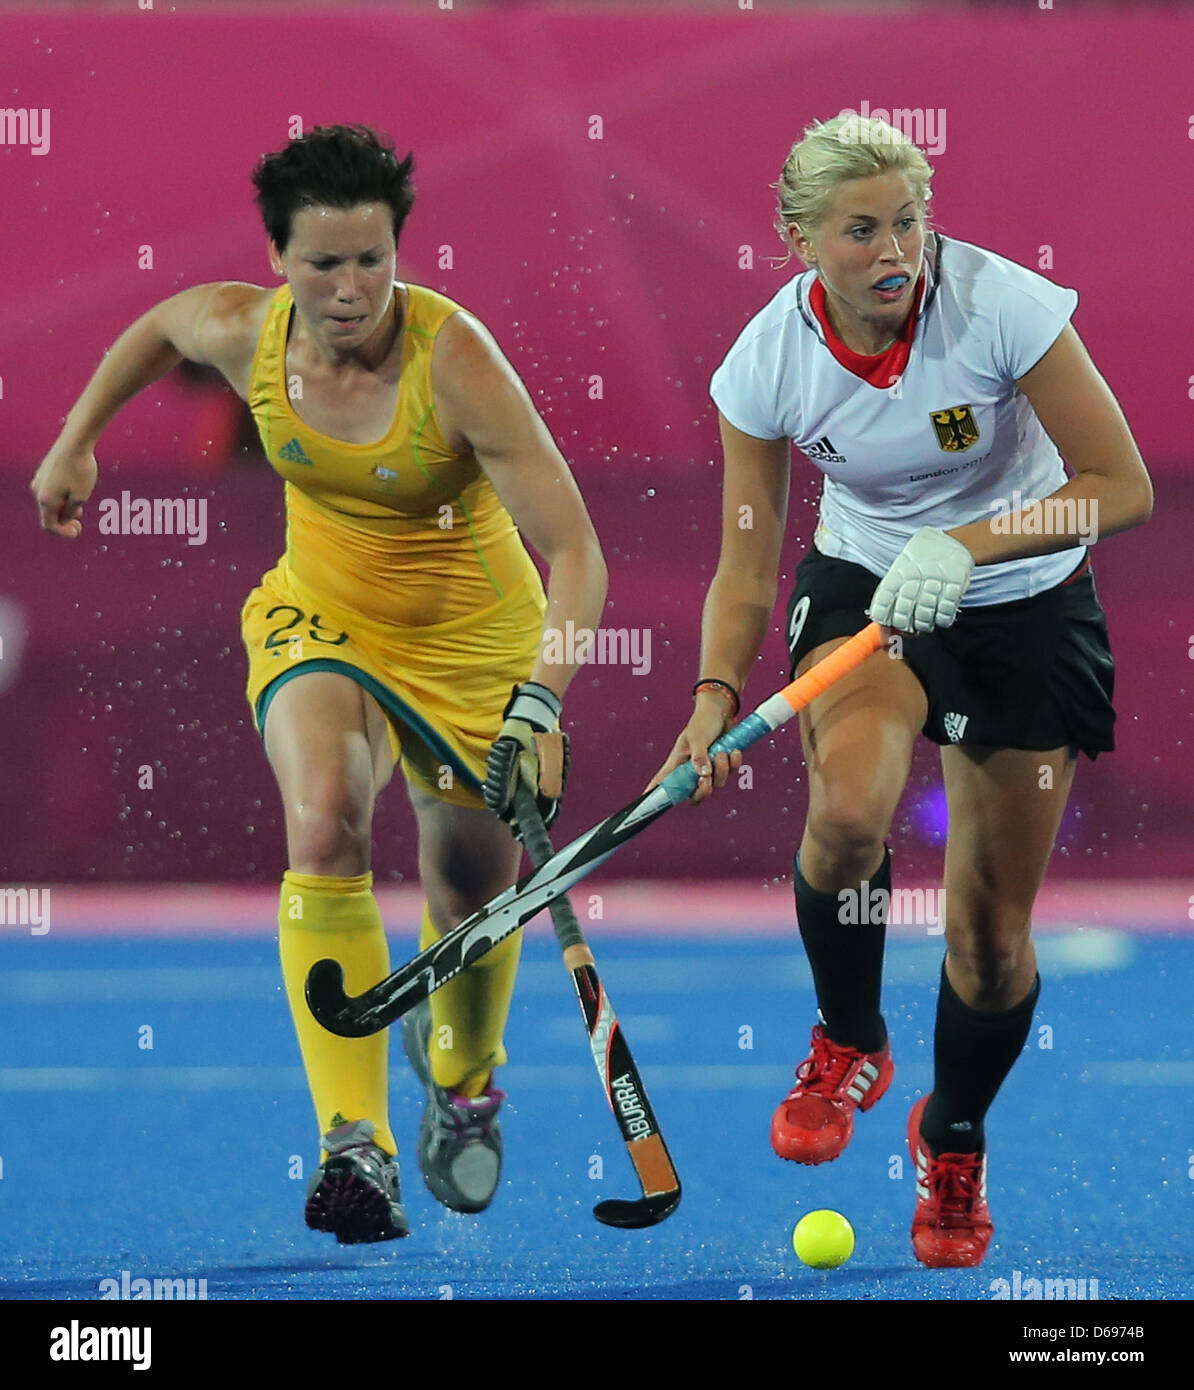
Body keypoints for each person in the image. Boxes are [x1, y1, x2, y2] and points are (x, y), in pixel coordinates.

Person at [31, 124, 607, 1244]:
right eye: (322, 264)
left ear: (400, 250)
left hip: (476, 640)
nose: (351, 291)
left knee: (470, 892)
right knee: (326, 821)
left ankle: (462, 1077)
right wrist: (76, 442)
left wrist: (541, 698)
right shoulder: (243, 328)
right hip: (321, 615)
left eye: (372, 262)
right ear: (277, 260)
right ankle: (356, 1143)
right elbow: (157, 328)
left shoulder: (458, 363)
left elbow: (578, 553)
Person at [652, 113, 1151, 1268]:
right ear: (798, 240)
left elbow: (1118, 486)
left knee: (984, 937)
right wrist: (715, 695)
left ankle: (955, 1138)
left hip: (1025, 601)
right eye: (862, 228)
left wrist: (971, 545)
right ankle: (849, 1036)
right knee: (845, 818)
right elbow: (745, 553)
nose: (896, 250)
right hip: (868, 590)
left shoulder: (1002, 307)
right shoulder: (764, 364)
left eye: (910, 220)